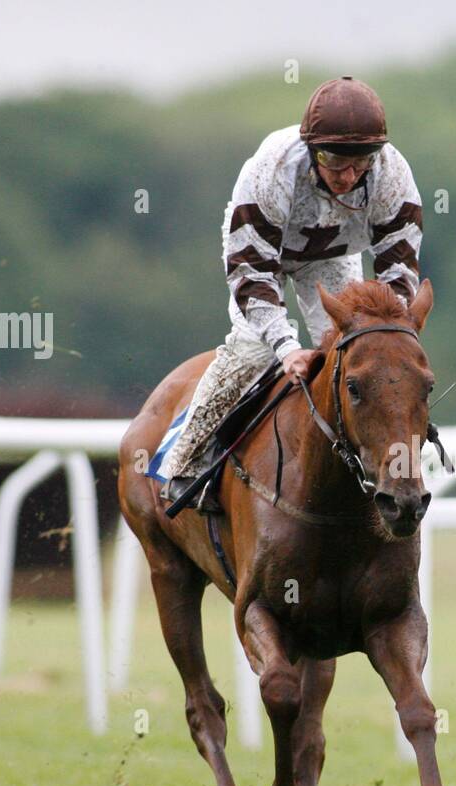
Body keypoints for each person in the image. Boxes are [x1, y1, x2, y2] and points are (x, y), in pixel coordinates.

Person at [158, 75, 424, 509]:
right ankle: (185, 463)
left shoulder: (392, 174)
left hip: (333, 253)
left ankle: (361, 469)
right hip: (264, 252)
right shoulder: (273, 171)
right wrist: (285, 348)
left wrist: (384, 328)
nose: (348, 174)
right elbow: (252, 273)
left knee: (356, 354)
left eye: (361, 163)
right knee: (253, 352)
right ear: (310, 148)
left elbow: (400, 262)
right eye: (334, 161)